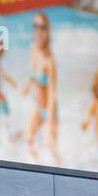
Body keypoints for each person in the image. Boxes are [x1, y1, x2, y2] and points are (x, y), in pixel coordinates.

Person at [20, 11, 59, 163]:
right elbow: (33, 70)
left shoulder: (50, 60)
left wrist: (49, 122)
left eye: (42, 27)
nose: (38, 31)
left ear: (48, 31)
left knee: (52, 149)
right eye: (35, 26)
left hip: (49, 110)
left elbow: (53, 93)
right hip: (38, 107)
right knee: (28, 138)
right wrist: (27, 84)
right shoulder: (32, 48)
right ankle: (36, 167)